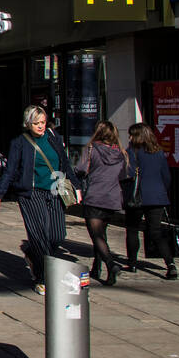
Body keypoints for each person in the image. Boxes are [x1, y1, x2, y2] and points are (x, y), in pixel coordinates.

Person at [0, 105, 82, 295]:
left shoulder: (54, 137)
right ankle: (42, 278)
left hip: (55, 192)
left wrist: (77, 186)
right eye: (36, 123)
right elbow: (10, 171)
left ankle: (31, 254)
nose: (40, 126)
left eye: (43, 122)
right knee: (39, 237)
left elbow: (65, 163)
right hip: (30, 195)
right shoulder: (20, 143)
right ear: (28, 123)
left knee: (57, 235)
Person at [76, 120, 129, 286]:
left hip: (94, 197)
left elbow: (81, 169)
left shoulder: (91, 149)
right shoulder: (120, 152)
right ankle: (96, 267)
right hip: (112, 198)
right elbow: (124, 175)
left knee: (96, 235)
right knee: (101, 234)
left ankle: (110, 264)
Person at [125, 122, 176, 280]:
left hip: (137, 197)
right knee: (156, 232)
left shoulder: (132, 152)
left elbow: (129, 173)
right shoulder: (158, 152)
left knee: (133, 230)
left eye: (131, 134)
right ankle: (170, 264)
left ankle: (132, 263)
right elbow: (166, 176)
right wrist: (161, 191)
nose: (129, 137)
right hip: (157, 197)